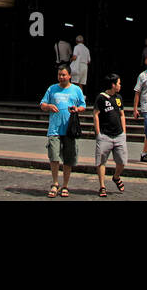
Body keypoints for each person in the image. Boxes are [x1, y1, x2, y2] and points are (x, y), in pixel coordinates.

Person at [39, 64, 86, 197]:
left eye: (64, 75)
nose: (61, 77)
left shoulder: (76, 90)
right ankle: (55, 183)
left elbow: (83, 105)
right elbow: (42, 104)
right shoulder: (52, 89)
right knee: (54, 157)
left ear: (70, 76)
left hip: (70, 129)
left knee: (68, 158)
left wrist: (77, 109)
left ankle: (65, 185)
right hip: (54, 129)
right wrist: (48, 106)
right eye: (59, 75)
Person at [93, 72, 127, 197]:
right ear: (113, 85)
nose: (120, 85)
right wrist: (98, 133)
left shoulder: (119, 98)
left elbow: (122, 114)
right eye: (119, 83)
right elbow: (96, 114)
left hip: (119, 135)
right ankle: (102, 186)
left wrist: (124, 131)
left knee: (122, 161)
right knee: (101, 161)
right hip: (105, 135)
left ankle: (116, 176)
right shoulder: (101, 98)